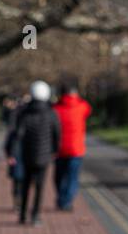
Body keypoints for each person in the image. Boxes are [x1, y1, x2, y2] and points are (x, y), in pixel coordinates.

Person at [6, 80, 60, 225]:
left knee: (25, 185)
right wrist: (55, 150)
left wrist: (12, 153)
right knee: (40, 187)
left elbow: (18, 135)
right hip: (44, 157)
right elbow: (57, 134)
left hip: (27, 155)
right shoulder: (51, 114)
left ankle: (23, 215)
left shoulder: (25, 114)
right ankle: (35, 216)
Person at [53, 83, 92, 211]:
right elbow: (88, 110)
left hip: (60, 148)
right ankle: (67, 201)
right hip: (76, 149)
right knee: (72, 177)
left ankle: (61, 197)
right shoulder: (82, 107)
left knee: (59, 176)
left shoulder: (56, 109)